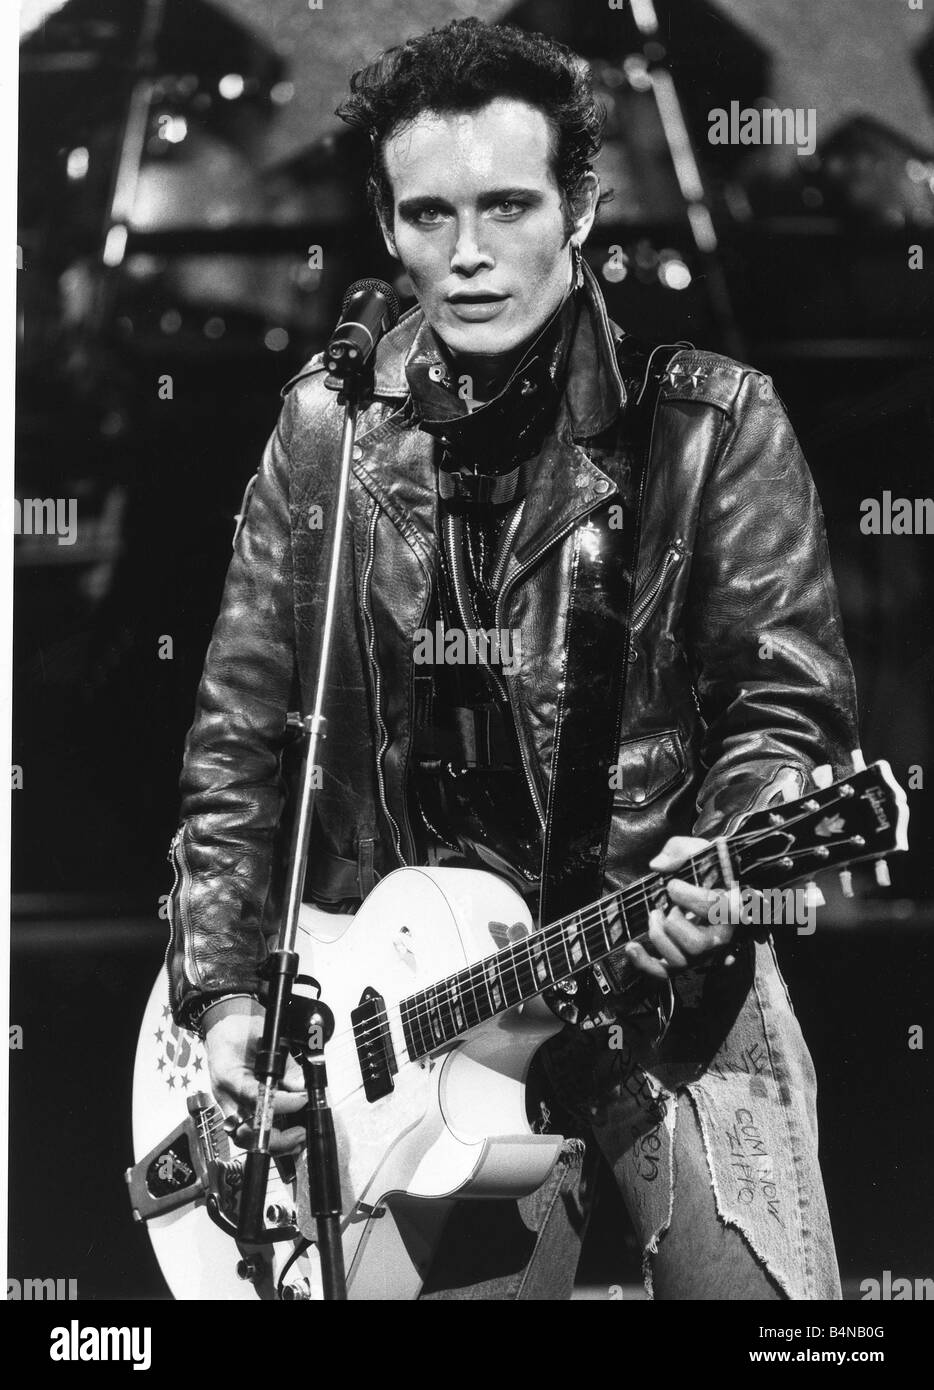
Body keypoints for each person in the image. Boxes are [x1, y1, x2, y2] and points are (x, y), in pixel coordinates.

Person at [165, 17, 858, 1300]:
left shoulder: (710, 421)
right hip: (411, 1044)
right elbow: (241, 735)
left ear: (581, 206)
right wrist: (221, 998)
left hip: (668, 1015)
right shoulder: (330, 427)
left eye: (507, 204)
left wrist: (729, 863)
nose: (470, 253)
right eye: (430, 215)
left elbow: (784, 713)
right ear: (385, 225)